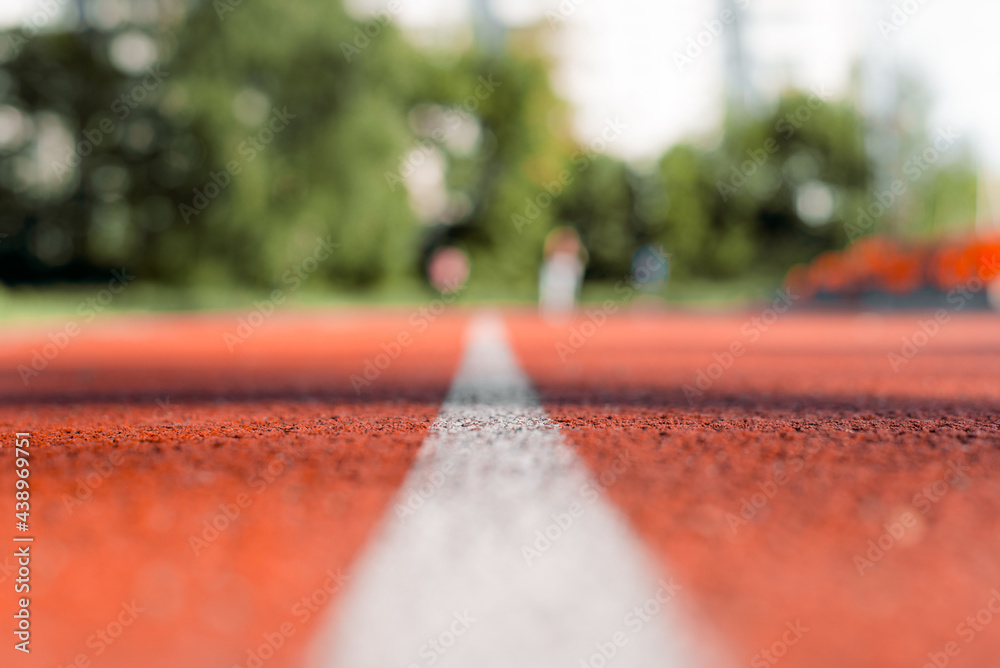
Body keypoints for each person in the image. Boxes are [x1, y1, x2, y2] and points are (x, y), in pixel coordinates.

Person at [538, 226, 587, 321]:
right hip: (554, 287)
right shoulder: (554, 259)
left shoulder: (571, 259)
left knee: (565, 298)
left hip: (565, 288)